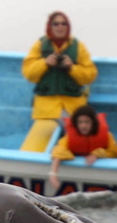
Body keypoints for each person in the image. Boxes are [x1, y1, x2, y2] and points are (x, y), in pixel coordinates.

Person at [21, 12, 98, 152]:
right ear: (50, 26)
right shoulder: (39, 45)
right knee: (39, 140)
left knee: (81, 141)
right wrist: (45, 63)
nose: (60, 27)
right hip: (46, 110)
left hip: (73, 109)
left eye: (64, 24)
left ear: (68, 27)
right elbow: (29, 74)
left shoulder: (78, 46)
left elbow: (90, 75)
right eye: (56, 24)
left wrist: (71, 68)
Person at [48, 105, 117, 192]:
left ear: (93, 123)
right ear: (76, 124)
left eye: (87, 122)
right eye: (80, 122)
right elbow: (58, 151)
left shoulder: (107, 136)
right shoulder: (69, 138)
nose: (83, 125)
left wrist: (97, 154)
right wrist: (53, 174)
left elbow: (115, 152)